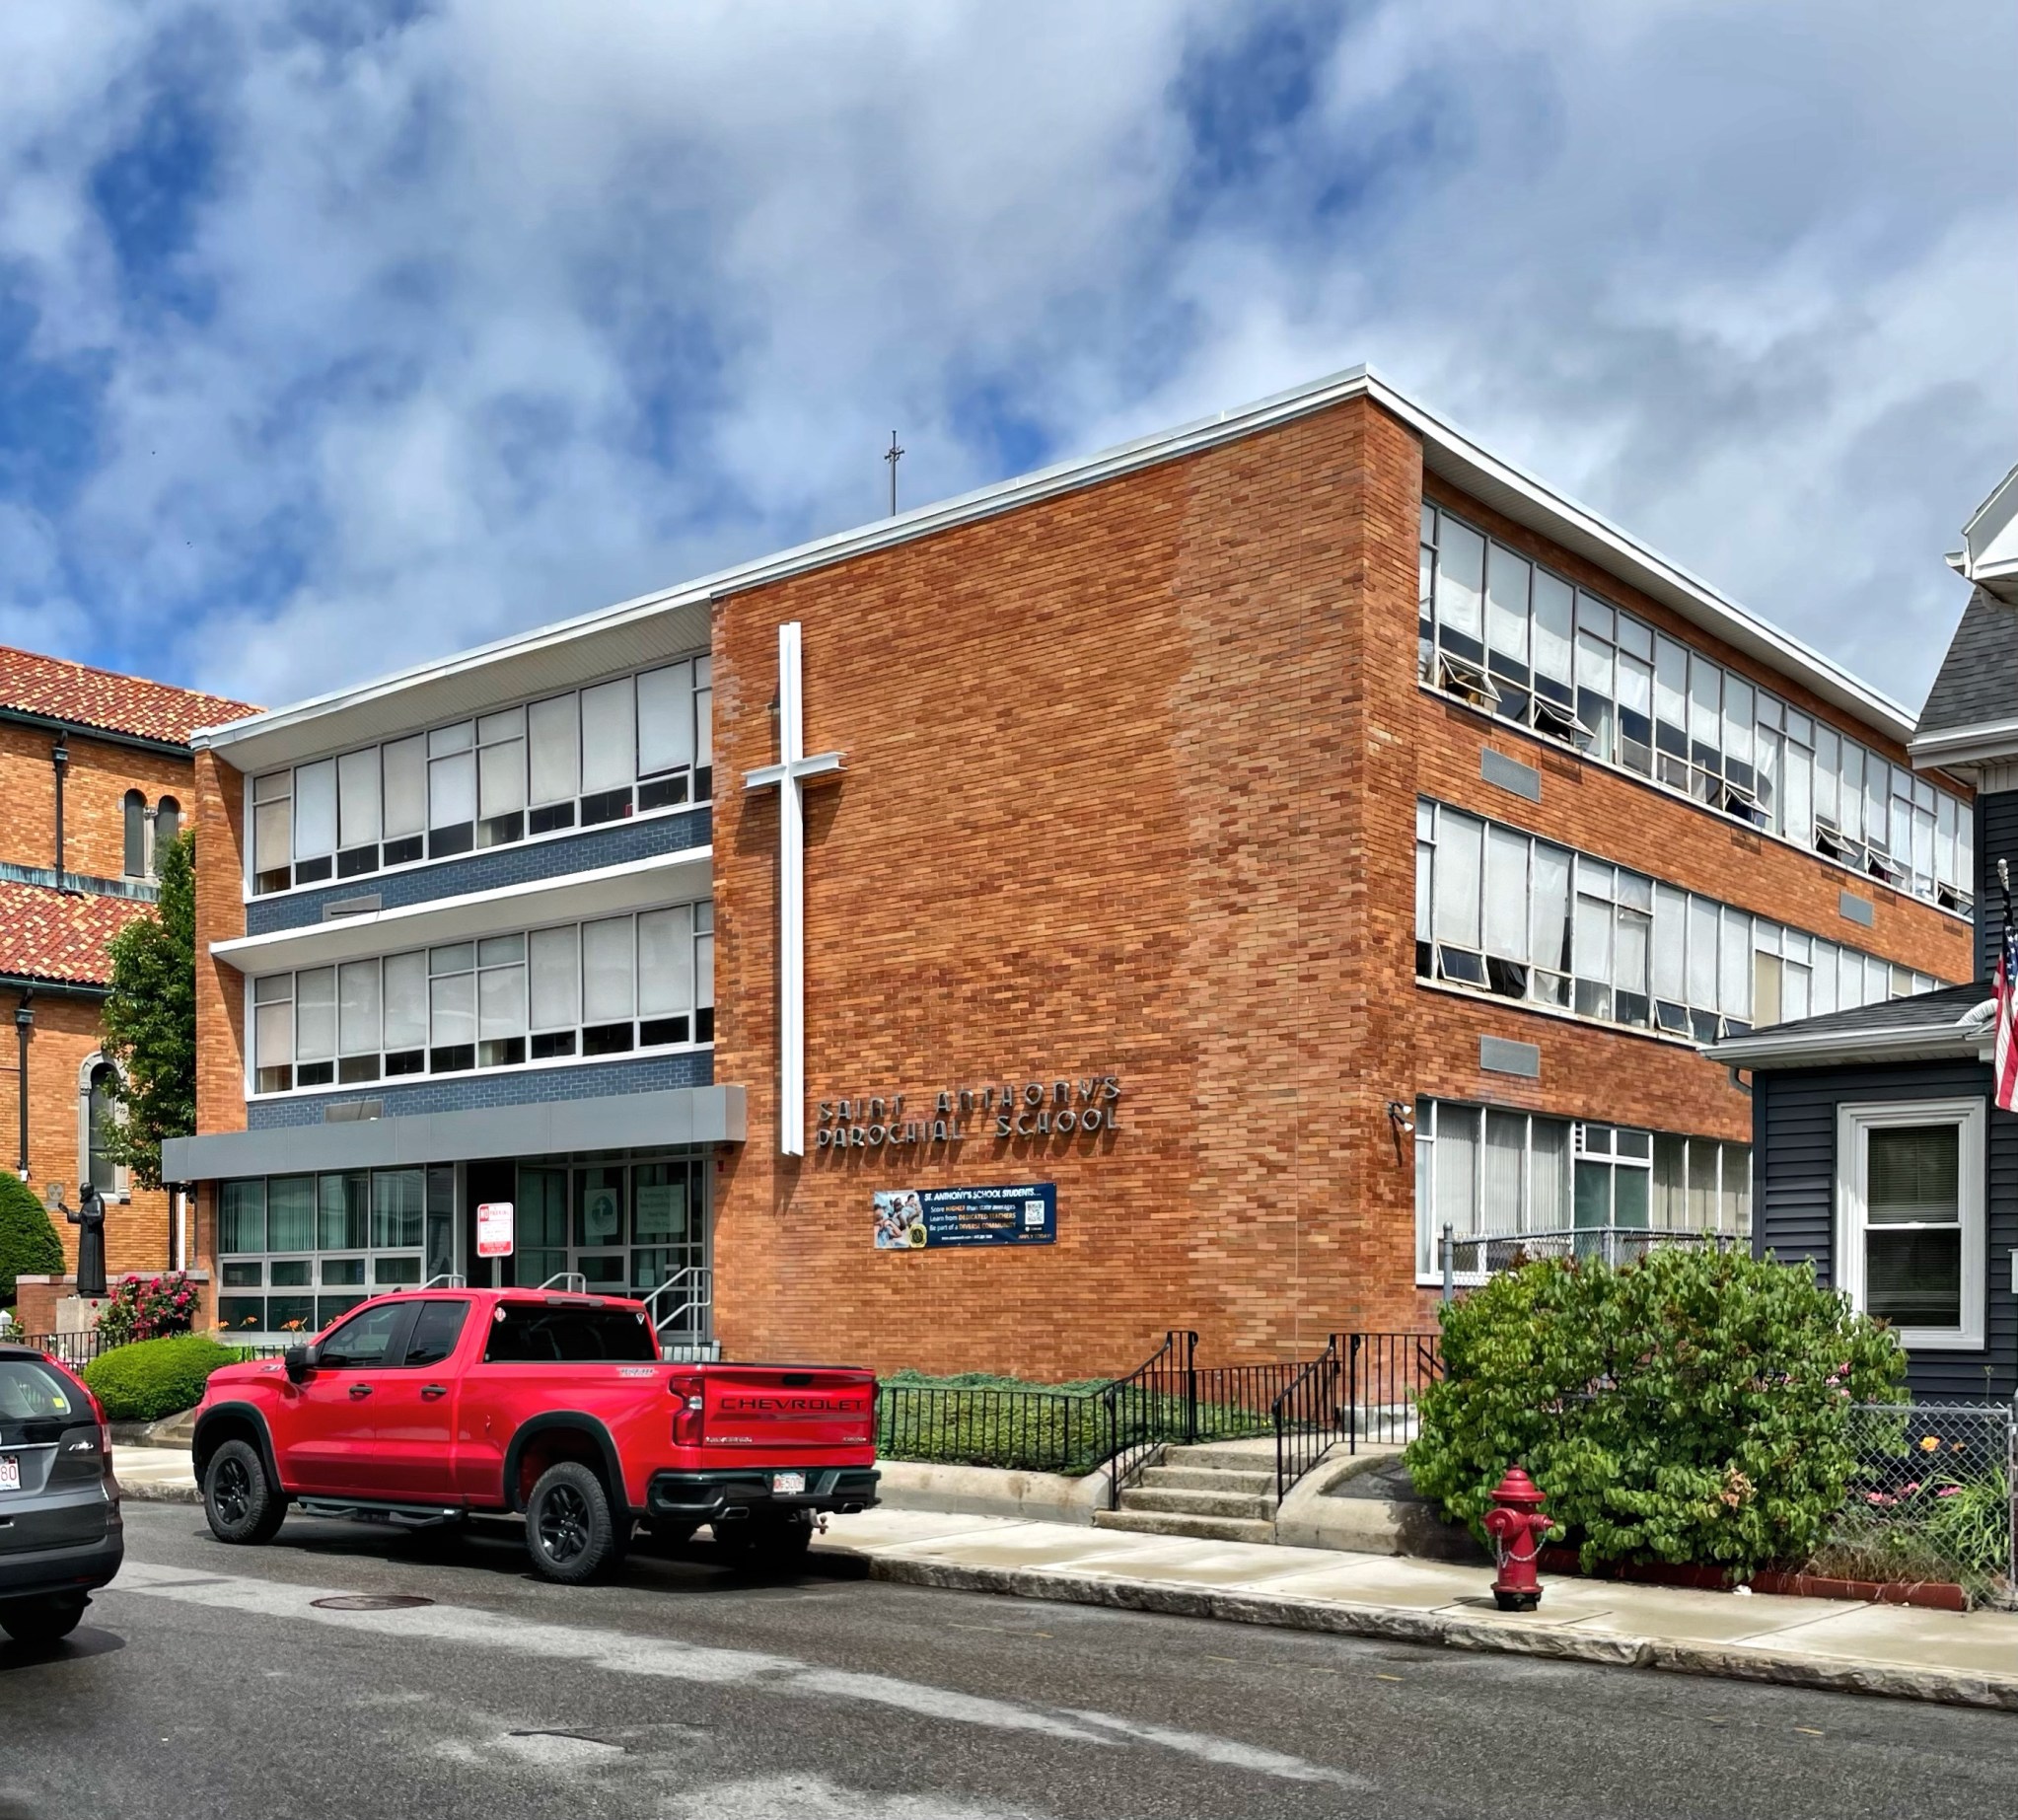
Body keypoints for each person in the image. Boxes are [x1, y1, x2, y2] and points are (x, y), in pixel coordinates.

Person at [67, 1183, 108, 1298]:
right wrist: (69, 1213)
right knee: (85, 1261)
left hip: (94, 1237)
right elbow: (81, 1218)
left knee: (93, 1261)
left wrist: (86, 1214)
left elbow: (99, 1216)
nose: (82, 1195)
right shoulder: (87, 1202)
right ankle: (84, 1286)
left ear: (89, 1191)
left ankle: (94, 1287)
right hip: (86, 1236)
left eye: (83, 1192)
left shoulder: (97, 1200)